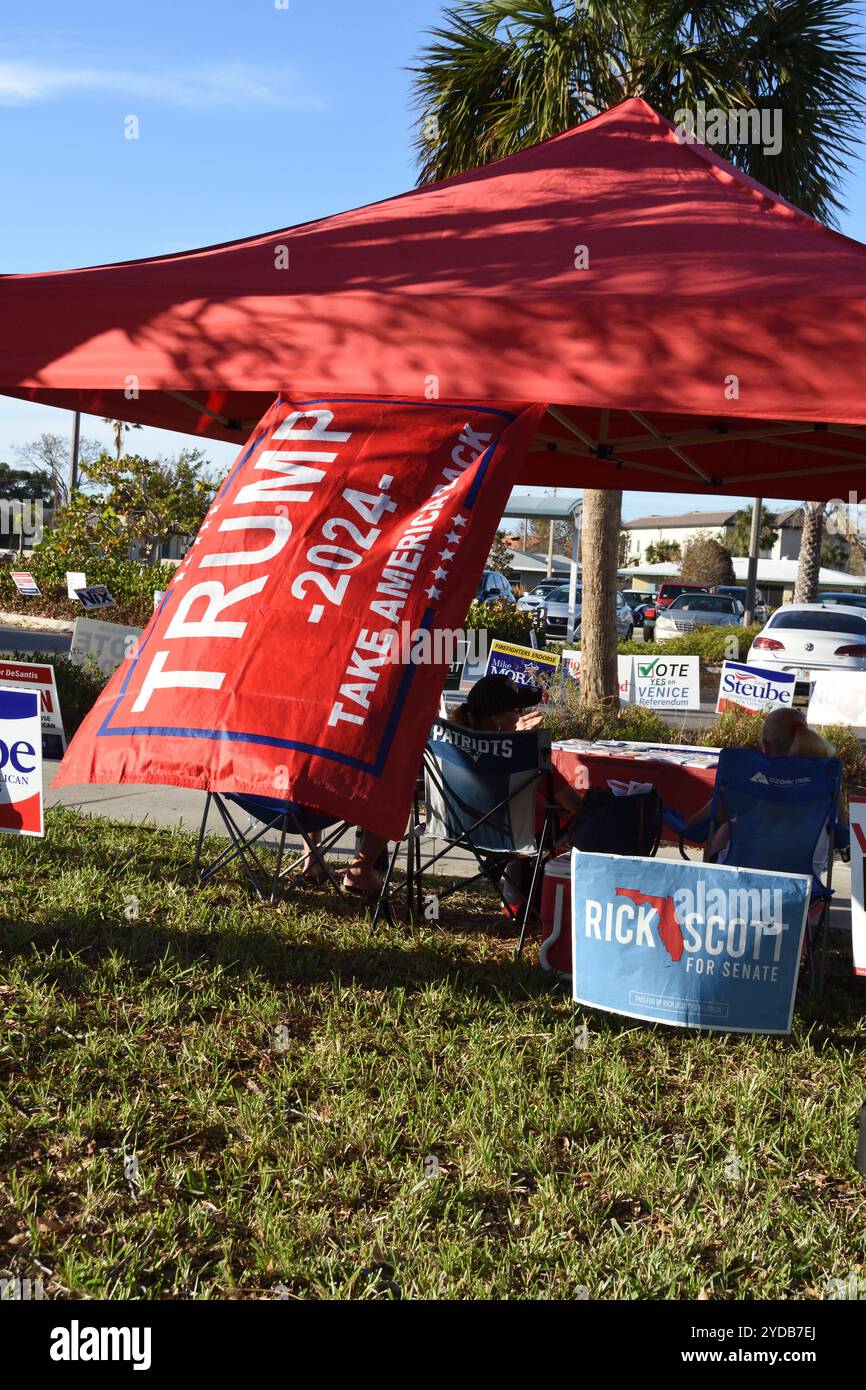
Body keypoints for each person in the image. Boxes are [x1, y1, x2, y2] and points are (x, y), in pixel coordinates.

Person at [688, 706, 838, 865]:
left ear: (765, 746)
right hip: (803, 882)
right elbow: (840, 835)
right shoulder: (827, 779)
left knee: (728, 828)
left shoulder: (747, 780)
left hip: (742, 882)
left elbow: (694, 827)